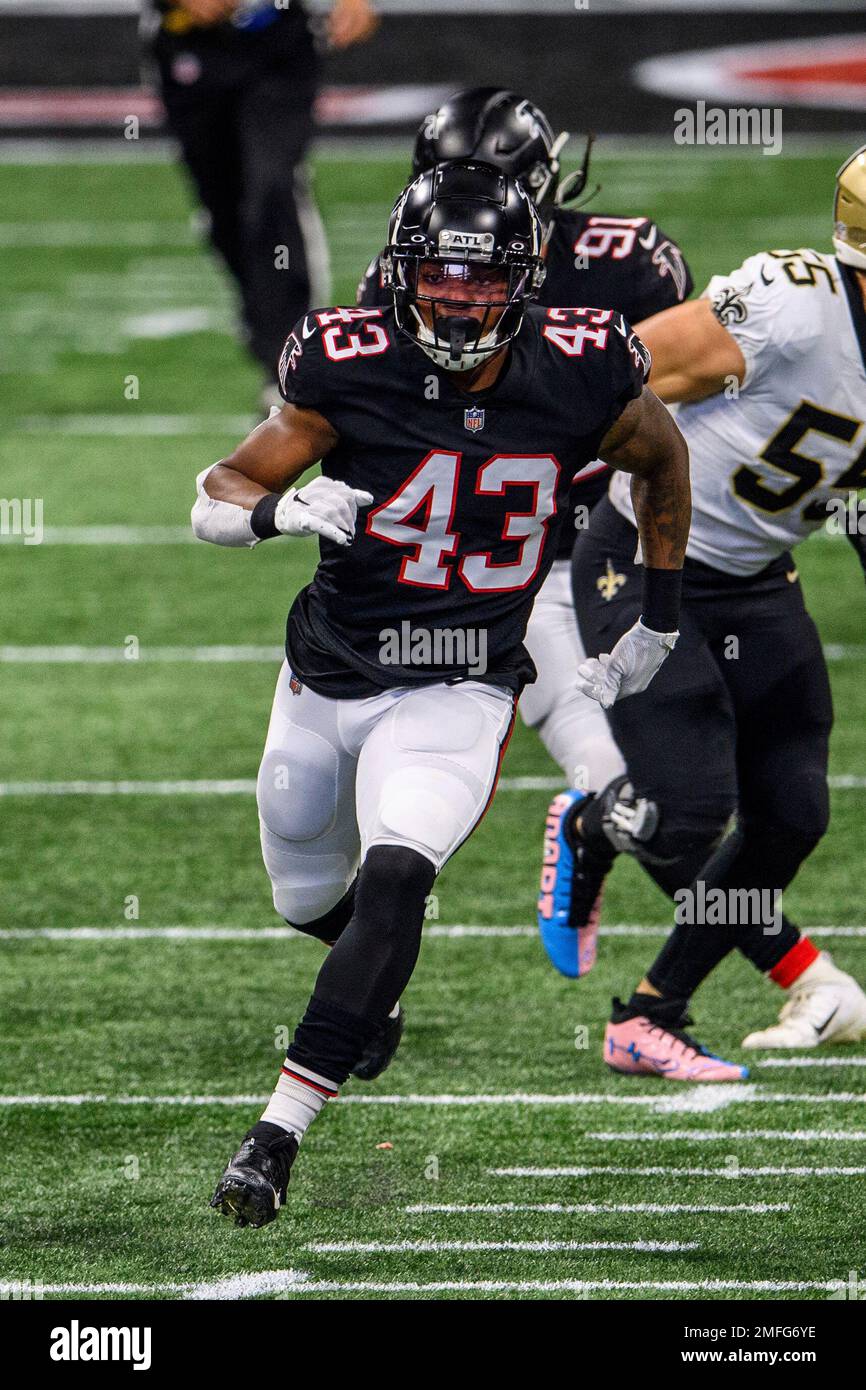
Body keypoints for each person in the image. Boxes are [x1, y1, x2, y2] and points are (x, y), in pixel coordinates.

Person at [191, 159, 689, 1226]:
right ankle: (371, 989)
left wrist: (659, 605)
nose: (458, 299)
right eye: (440, 276)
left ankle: (274, 1134)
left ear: (523, 279)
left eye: (481, 280)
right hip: (326, 675)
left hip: (459, 681)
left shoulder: (581, 366)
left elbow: (662, 454)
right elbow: (220, 493)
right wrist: (276, 515)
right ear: (402, 271)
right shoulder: (347, 361)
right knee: (302, 895)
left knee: (398, 875)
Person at [357, 87, 693, 979]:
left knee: (687, 776)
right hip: (505, 565)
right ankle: (725, 990)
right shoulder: (400, 295)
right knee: (632, 785)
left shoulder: (630, 267)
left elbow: (669, 422)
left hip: (614, 536)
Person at [551, 145, 866, 1079]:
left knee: (793, 814)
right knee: (687, 812)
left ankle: (651, 1014)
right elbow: (621, 375)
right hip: (650, 562)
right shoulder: (793, 302)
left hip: (759, 577)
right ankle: (592, 823)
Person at [148, 0, 378, 403]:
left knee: (273, 187)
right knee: (223, 210)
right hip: (189, 41)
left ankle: (292, 360)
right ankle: (269, 331)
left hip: (276, 36)